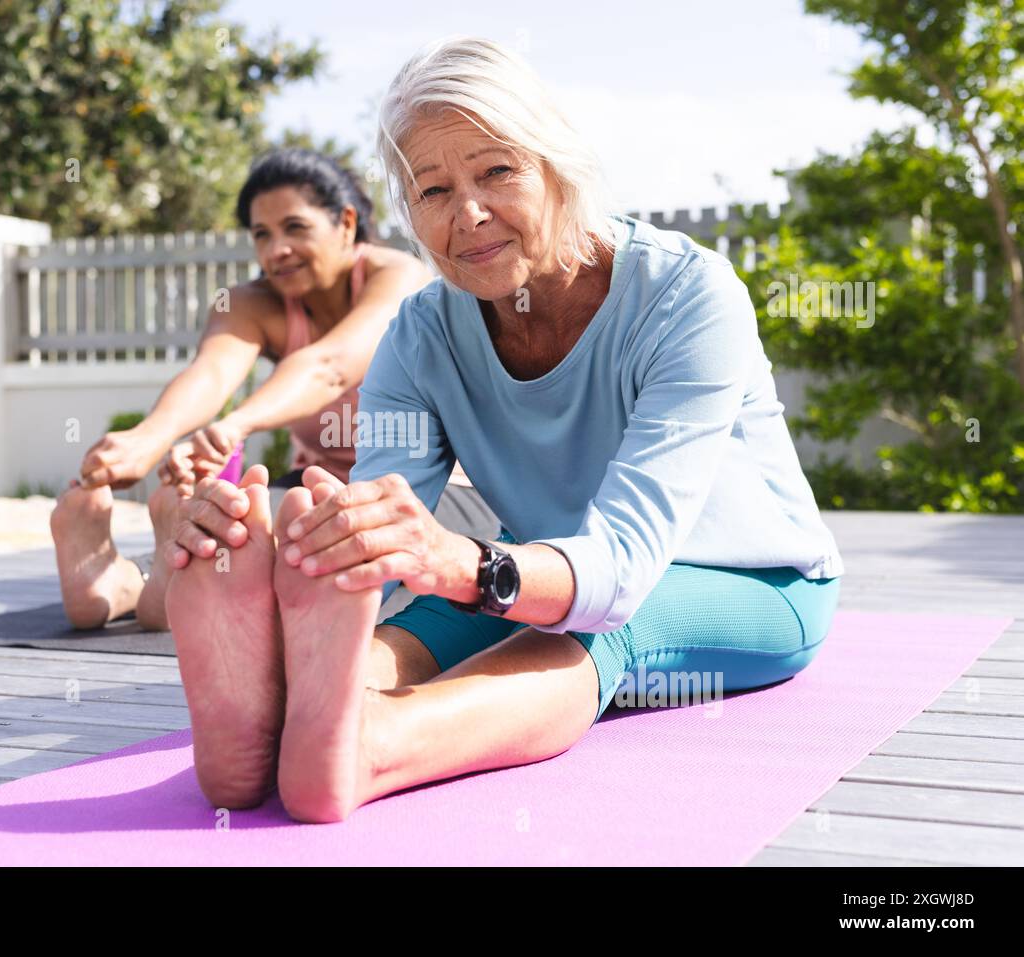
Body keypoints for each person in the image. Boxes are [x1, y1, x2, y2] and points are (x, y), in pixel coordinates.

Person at [161, 37, 846, 823]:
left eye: (496, 172)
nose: (469, 214)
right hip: (534, 571)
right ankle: (283, 710)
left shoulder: (689, 299)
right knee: (435, 609)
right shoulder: (419, 334)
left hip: (755, 582)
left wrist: (458, 560)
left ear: (557, 166)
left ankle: (376, 742)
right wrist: (294, 545)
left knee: (600, 626)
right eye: (434, 190)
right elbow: (385, 537)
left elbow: (621, 567)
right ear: (410, 213)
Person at [50, 148, 495, 631]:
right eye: (262, 235)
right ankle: (119, 580)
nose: (276, 249)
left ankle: (164, 581)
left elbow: (331, 367)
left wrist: (234, 425)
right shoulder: (251, 302)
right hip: (320, 487)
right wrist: (149, 437)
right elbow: (212, 373)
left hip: (433, 490)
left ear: (346, 223)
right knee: (240, 534)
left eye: (295, 228)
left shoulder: (400, 276)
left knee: (300, 551)